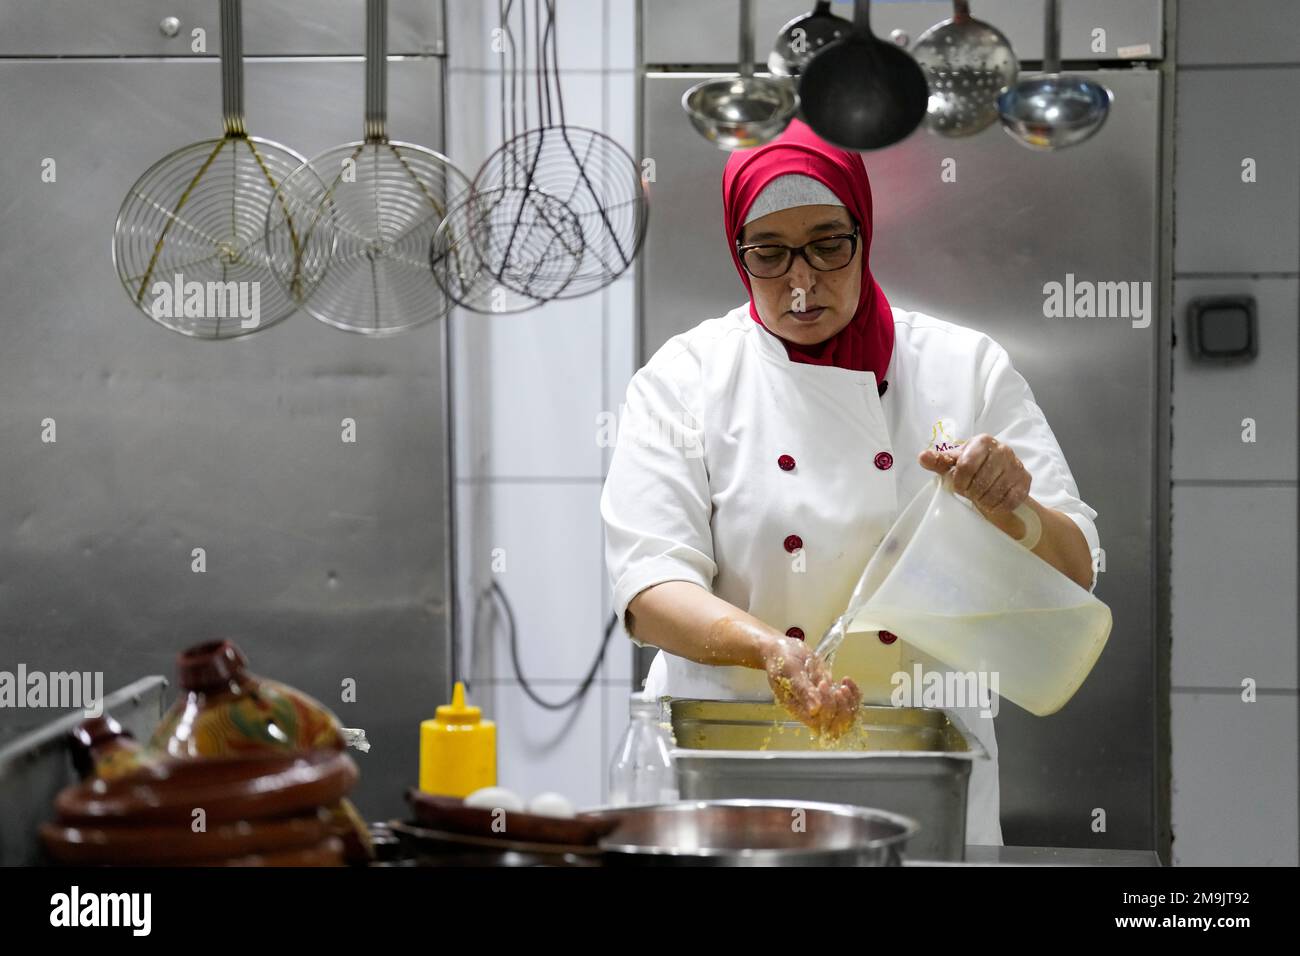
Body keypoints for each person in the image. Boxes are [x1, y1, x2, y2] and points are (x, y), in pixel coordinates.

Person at [599, 119, 1098, 845]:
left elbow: (1076, 570)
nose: (801, 282)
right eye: (769, 254)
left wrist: (1013, 509)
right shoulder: (686, 379)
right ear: (739, 255)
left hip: (918, 754)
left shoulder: (963, 369)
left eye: (829, 245)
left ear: (863, 231)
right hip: (729, 751)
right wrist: (768, 649)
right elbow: (649, 590)